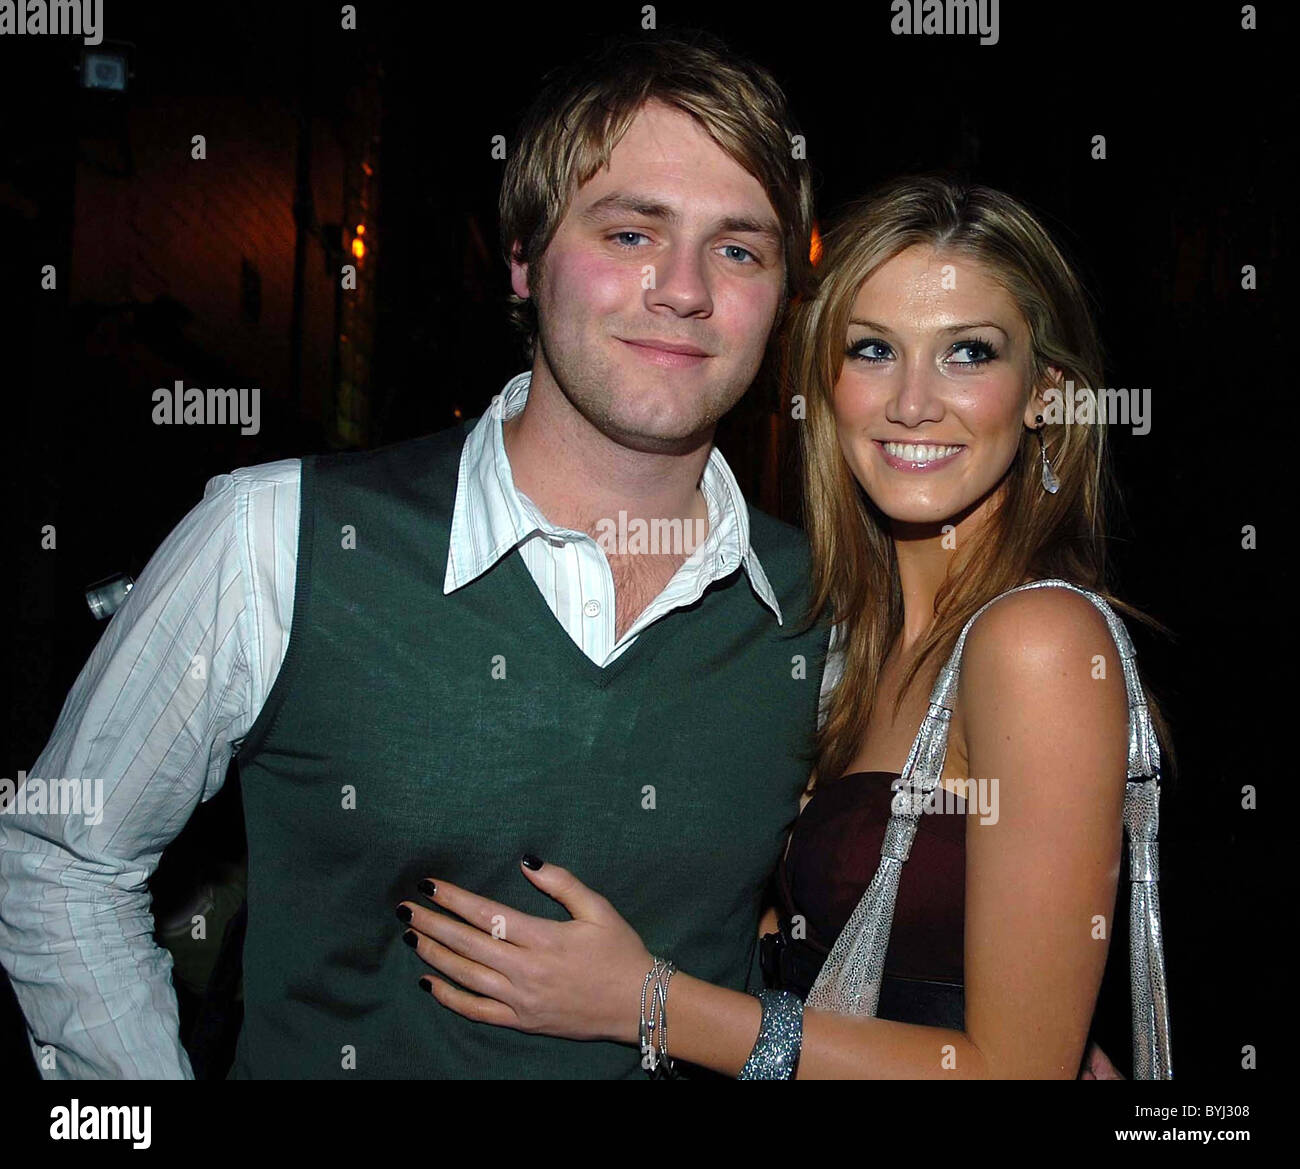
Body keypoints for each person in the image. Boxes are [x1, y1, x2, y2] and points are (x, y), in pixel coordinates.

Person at [0, 32, 832, 1079]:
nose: (682, 288)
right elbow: (62, 857)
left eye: (738, 249)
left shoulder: (825, 607)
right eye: (629, 232)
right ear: (524, 258)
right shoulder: (276, 538)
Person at [395, 176, 1170, 1078]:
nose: (913, 402)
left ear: (1045, 393)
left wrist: (646, 1001)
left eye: (968, 354)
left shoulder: (1037, 641)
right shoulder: (837, 637)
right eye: (874, 348)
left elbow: (1016, 1070)